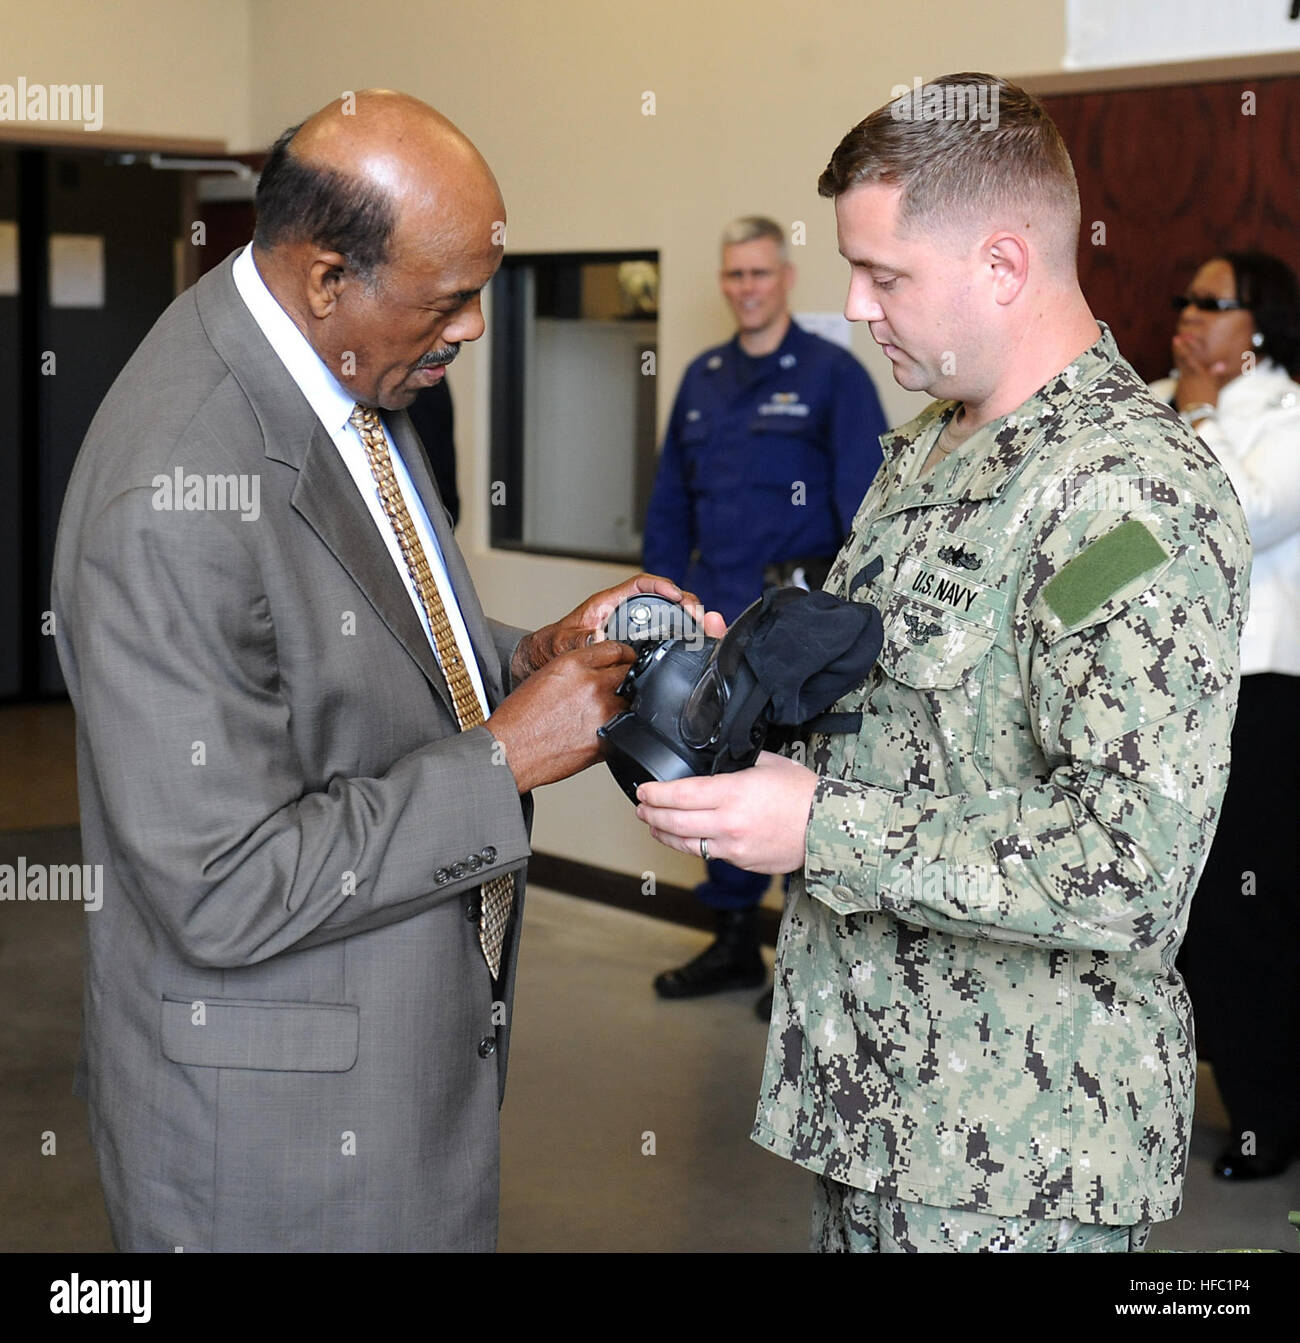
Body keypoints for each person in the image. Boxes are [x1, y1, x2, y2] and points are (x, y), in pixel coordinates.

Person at [51, 90, 719, 1253]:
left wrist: (533, 655)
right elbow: (223, 882)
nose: (471, 329)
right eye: (450, 298)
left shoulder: (351, 370)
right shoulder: (173, 494)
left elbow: (365, 631)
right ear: (325, 277)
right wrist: (510, 751)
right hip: (279, 1144)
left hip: (392, 1081)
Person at [635, 73, 1249, 1253]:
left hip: (1017, 1155)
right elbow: (918, 713)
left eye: (884, 275)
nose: (855, 307)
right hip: (877, 1105)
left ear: (1004, 265)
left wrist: (820, 827)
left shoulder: (1125, 498)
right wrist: (749, 691)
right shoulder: (930, 444)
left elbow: (1127, 863)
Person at [642, 216, 888, 1012]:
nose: (746, 288)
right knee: (714, 769)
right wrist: (657, 598)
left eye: (758, 273)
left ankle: (801, 959)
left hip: (793, 620)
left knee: (798, 773)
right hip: (714, 613)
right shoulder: (702, 377)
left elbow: (866, 507)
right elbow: (670, 503)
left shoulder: (831, 376)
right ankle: (733, 944)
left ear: (784, 277)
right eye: (733, 275)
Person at [1151, 251, 1300, 1181]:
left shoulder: (1290, 416)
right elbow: (1116, 537)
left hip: (1263, 698)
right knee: (1177, 907)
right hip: (1162, 694)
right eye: (1186, 299)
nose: (1190, 315)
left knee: (1254, 910)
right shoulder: (1151, 395)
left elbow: (1235, 519)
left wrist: (1197, 408)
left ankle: (1267, 1114)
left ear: (1262, 321)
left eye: (1213, 302)